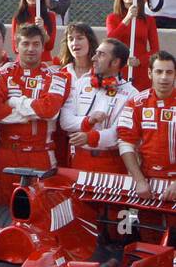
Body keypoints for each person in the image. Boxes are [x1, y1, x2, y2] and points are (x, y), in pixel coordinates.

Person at [0, 25, 70, 205]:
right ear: (16, 46)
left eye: (36, 44)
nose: (31, 49)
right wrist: (34, 111)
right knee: (4, 204)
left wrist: (15, 102)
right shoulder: (2, 74)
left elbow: (50, 111)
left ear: (43, 47)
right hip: (8, 152)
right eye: (25, 44)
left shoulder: (56, 75)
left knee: (41, 206)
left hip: (41, 153)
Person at [59, 37, 139, 174]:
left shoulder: (132, 94)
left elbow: (120, 134)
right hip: (78, 159)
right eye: (96, 53)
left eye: (101, 54)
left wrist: (90, 137)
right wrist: (88, 121)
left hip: (111, 163)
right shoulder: (80, 84)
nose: (94, 58)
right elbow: (65, 121)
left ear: (115, 62)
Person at [117, 51, 176, 195]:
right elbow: (125, 143)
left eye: (169, 72)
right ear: (150, 73)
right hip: (148, 182)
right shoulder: (136, 103)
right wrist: (139, 181)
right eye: (159, 71)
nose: (164, 77)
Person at [106, 0, 160, 91]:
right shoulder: (112, 18)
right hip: (120, 68)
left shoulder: (149, 20)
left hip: (141, 70)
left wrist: (140, 61)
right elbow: (111, 39)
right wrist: (127, 18)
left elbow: (155, 49)